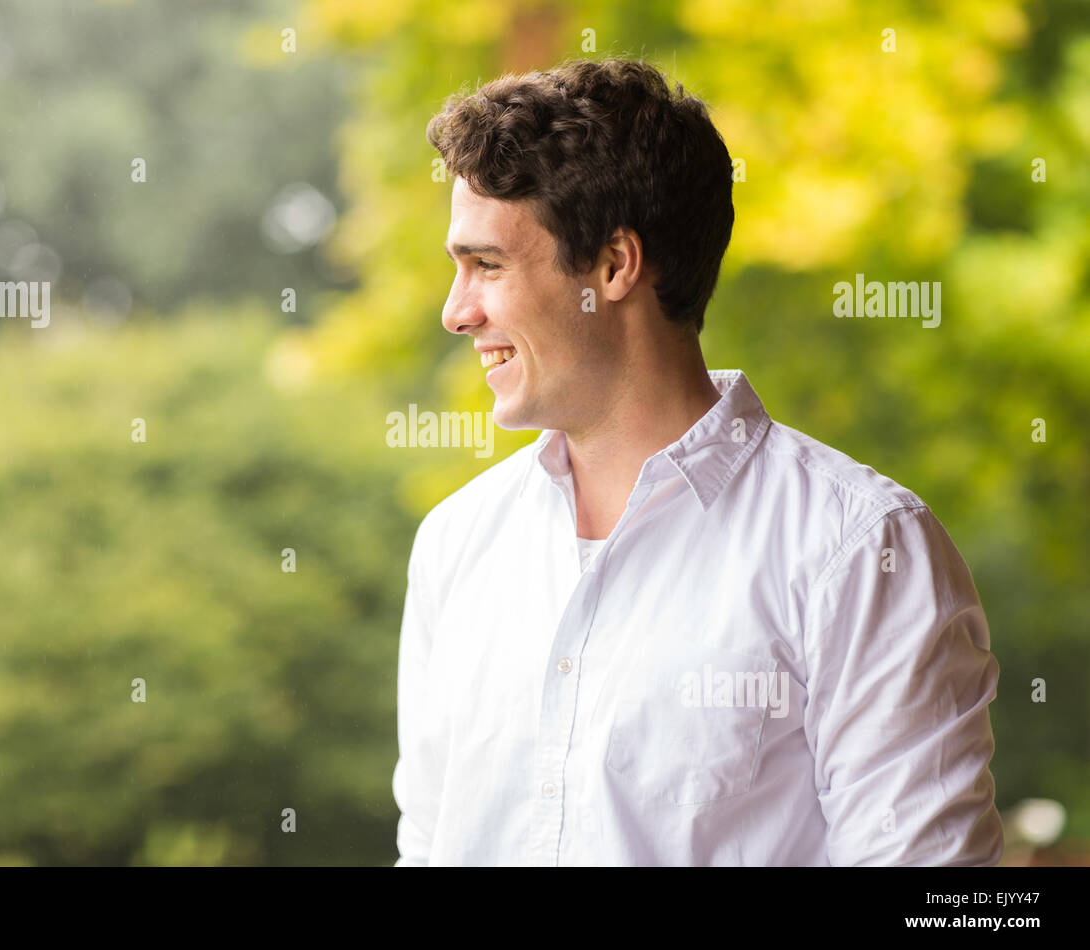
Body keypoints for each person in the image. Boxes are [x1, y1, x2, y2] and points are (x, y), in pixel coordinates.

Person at [391, 56, 1004, 865]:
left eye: (488, 265)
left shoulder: (859, 550)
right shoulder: (456, 543)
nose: (455, 311)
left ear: (613, 266)